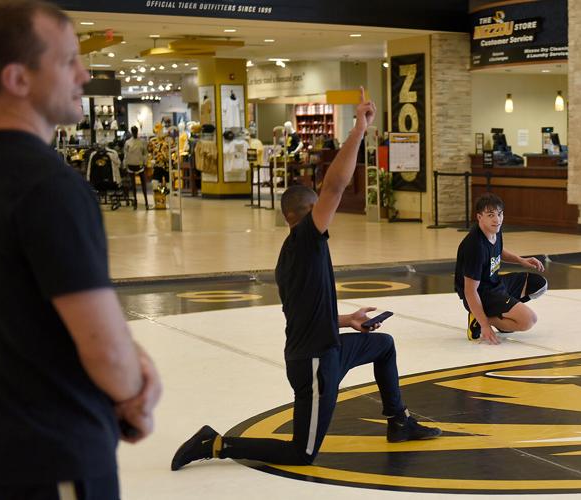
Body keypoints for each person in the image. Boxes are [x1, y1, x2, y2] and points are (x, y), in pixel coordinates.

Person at [171, 88, 440, 472]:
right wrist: (360, 128)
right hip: (314, 363)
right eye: (320, 211)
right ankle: (214, 443)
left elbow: (307, 312)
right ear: (306, 214)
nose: (327, 216)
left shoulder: (294, 254)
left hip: (326, 346)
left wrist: (349, 320)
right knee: (303, 453)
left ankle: (398, 420)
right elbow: (335, 186)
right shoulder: (305, 240)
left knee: (383, 345)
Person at [0, 1, 162, 497]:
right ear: (18, 78)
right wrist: (135, 389)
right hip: (49, 456)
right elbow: (105, 347)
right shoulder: (49, 186)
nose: (84, 75)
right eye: (68, 60)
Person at [454, 193, 548, 345]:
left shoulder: (494, 230)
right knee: (529, 320)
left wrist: (521, 260)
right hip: (482, 293)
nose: (497, 220)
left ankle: (502, 316)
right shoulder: (475, 246)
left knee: (539, 285)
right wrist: (485, 325)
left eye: (499, 214)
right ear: (479, 217)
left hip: (495, 283)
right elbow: (470, 291)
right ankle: (481, 319)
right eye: (490, 215)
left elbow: (498, 250)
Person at [124, 125, 149, 209]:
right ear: (132, 132)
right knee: (133, 185)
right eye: (133, 131)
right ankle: (135, 202)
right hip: (131, 165)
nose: (134, 132)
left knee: (143, 184)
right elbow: (126, 154)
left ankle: (146, 202)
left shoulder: (142, 142)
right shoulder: (128, 142)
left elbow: (145, 153)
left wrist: (145, 162)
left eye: (135, 131)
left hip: (140, 165)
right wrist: (125, 164)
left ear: (137, 132)